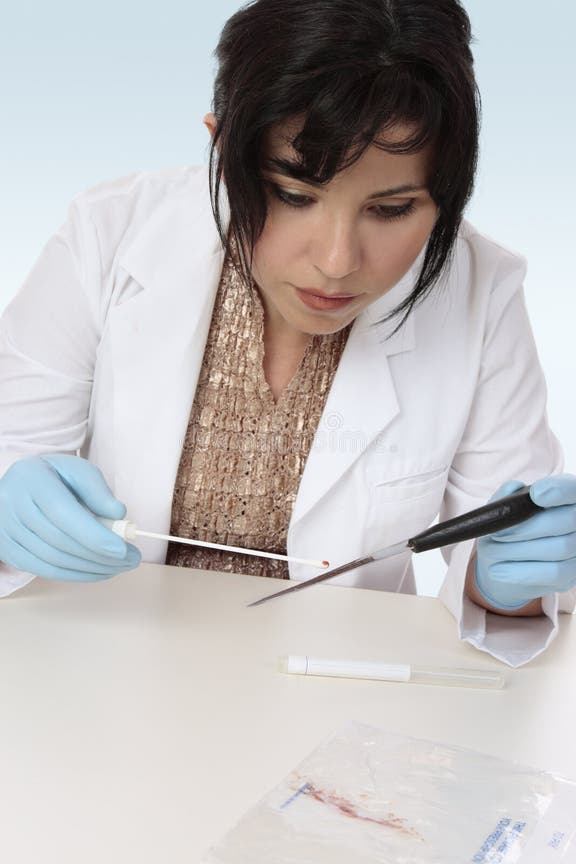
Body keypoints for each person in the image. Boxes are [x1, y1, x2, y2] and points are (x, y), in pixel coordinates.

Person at [0, 0, 574, 667]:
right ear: (223, 150)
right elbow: (10, 458)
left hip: (332, 690)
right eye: (293, 195)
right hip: (97, 667)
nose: (337, 261)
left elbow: (509, 576)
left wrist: (509, 581)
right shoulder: (110, 235)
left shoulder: (481, 293)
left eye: (391, 209)